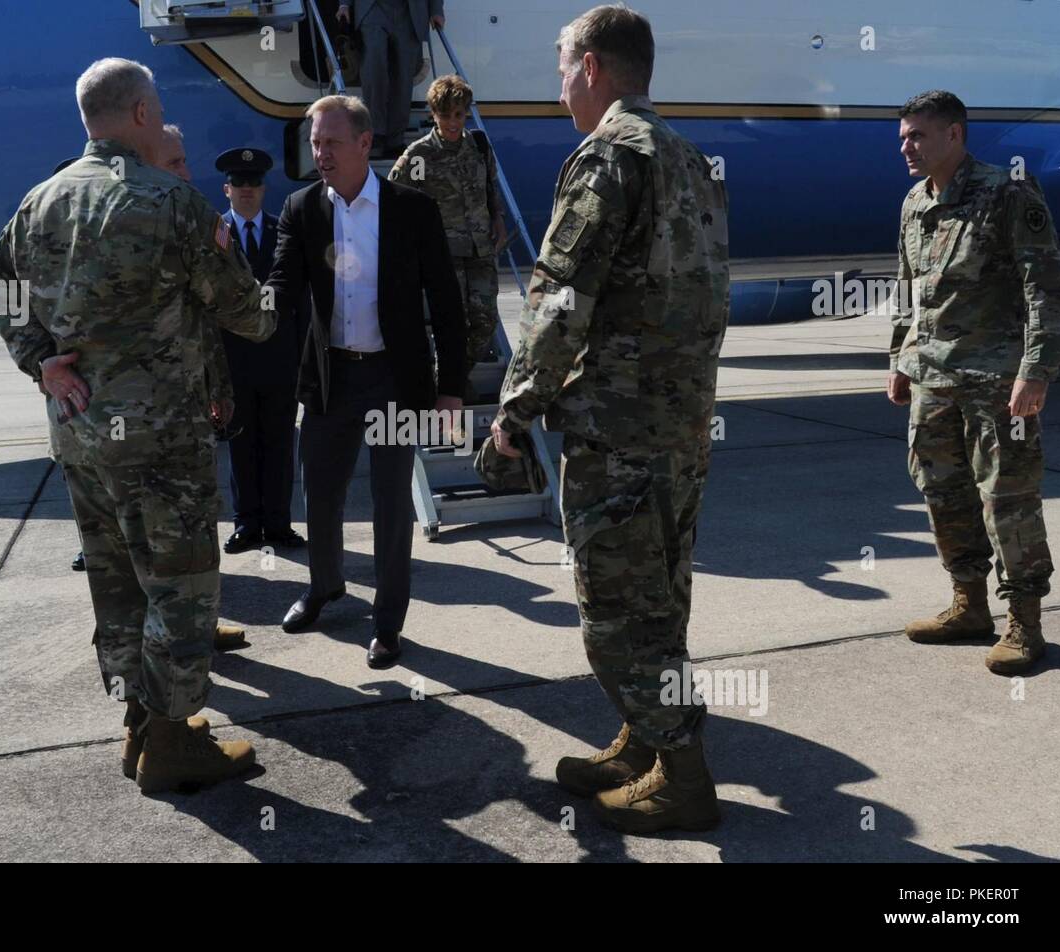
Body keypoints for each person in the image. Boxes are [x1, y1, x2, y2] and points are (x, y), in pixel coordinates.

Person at [0, 57, 275, 794]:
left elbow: (1, 292)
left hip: (79, 434)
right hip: (159, 438)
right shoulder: (170, 203)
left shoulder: (39, 201)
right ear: (143, 115)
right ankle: (174, 742)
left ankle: (140, 724)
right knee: (180, 588)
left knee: (117, 585)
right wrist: (267, 307)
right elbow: (242, 311)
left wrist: (41, 364)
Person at [490, 5, 729, 834]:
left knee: (617, 613)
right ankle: (644, 744)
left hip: (618, 430)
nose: (559, 88)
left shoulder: (606, 158)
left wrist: (513, 412)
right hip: (679, 425)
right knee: (660, 599)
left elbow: (559, 305)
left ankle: (684, 778)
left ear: (592, 66)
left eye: (562, 69)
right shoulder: (692, 159)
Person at [264, 94, 465, 668]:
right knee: (320, 495)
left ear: (363, 144)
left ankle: (387, 621)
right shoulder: (302, 209)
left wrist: (450, 387)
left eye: (330, 142)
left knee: (390, 504)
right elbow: (281, 285)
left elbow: (446, 303)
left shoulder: (412, 210)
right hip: (330, 379)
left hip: (394, 380)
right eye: (314, 143)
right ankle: (325, 585)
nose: (319, 153)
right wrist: (238, 290)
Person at [888, 90, 1060, 674]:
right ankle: (968, 604)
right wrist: (900, 358)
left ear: (955, 135)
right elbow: (907, 291)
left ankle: (1025, 622)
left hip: (996, 381)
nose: (907, 147)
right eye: (903, 137)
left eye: (918, 136)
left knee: (1007, 498)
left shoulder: (1007, 195)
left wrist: (1036, 370)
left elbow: (1046, 287)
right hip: (932, 378)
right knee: (942, 492)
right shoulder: (916, 202)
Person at [67, 124, 250, 653]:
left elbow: (197, 321)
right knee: (160, 559)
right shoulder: (165, 212)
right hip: (154, 424)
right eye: (176, 162)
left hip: (136, 418)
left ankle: (148, 711)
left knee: (165, 557)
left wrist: (218, 385)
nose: (187, 174)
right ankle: (168, 720)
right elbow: (242, 311)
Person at [213, 146, 309, 555]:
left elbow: (301, 300)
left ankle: (279, 524)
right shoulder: (212, 236)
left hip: (279, 358)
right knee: (241, 446)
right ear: (227, 190)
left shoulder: (282, 231)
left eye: (253, 183)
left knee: (280, 444)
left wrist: (305, 357)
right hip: (233, 362)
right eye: (239, 183)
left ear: (264, 188)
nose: (247, 190)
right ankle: (246, 525)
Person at [389, 74, 508, 401]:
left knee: (484, 322)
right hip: (445, 253)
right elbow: (397, 199)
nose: (452, 122)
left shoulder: (479, 146)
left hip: (481, 249)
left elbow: (490, 188)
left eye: (458, 114)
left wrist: (497, 219)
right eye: (445, 115)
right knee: (453, 323)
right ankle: (450, 387)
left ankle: (450, 378)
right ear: (434, 114)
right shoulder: (420, 155)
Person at [336, 0, 445, 158]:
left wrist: (436, 10)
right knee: (374, 69)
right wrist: (344, 4)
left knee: (403, 78)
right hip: (372, 8)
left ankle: (395, 139)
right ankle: (376, 132)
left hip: (410, 13)